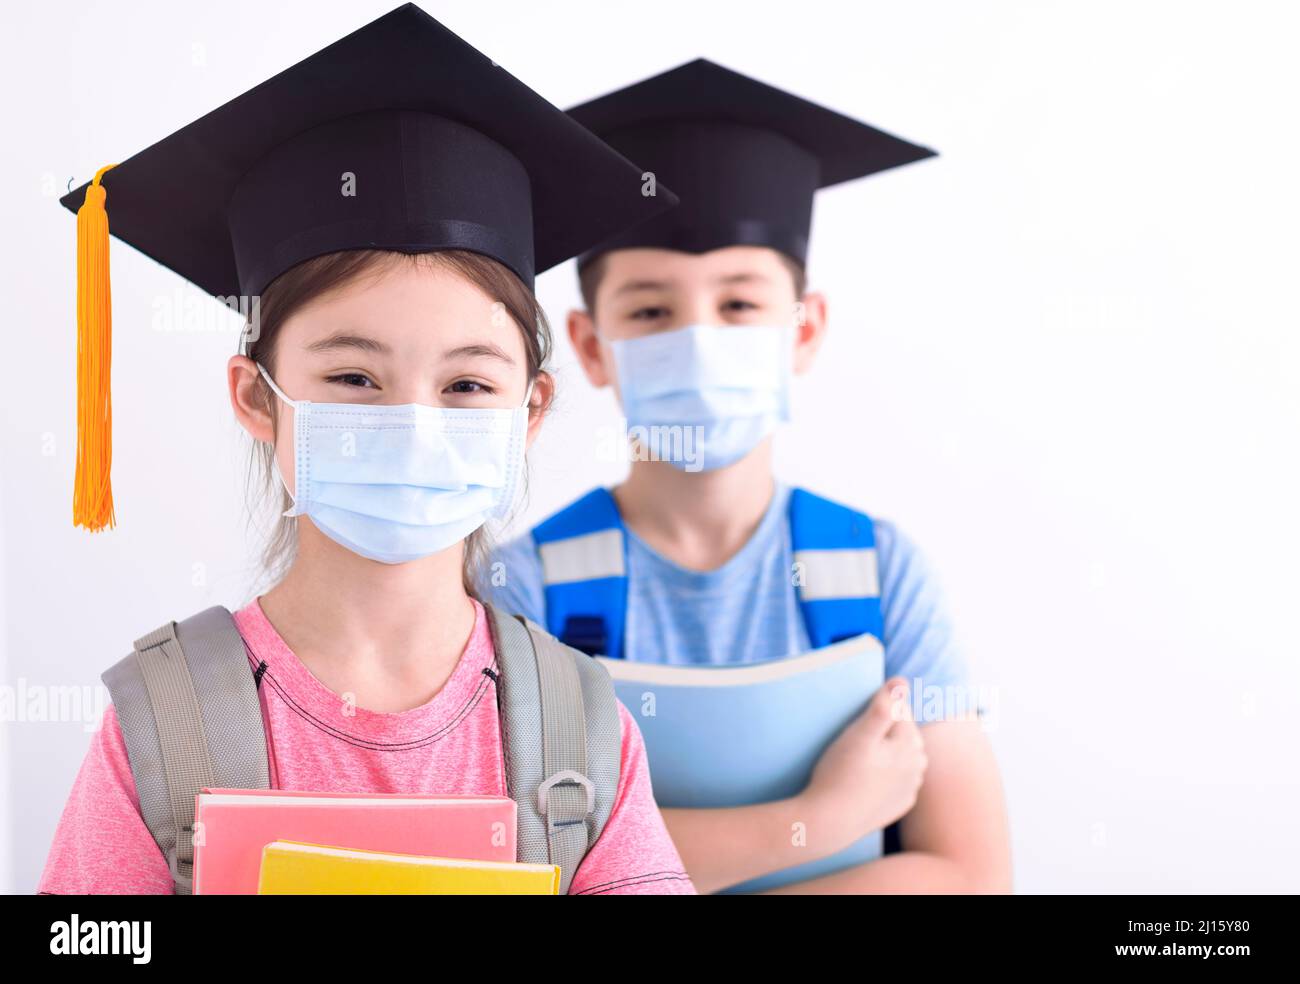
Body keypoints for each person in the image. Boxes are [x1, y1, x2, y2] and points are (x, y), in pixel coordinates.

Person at [38, 5, 695, 896]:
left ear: (530, 409)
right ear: (255, 397)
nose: (414, 422)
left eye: (467, 386)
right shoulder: (163, 726)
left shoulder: (582, 729)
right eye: (353, 378)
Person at [483, 59, 1012, 893]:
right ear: (590, 345)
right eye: (651, 311)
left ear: (804, 330)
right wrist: (829, 817)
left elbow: (968, 873)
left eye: (739, 305)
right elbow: (520, 865)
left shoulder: (883, 574)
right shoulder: (521, 590)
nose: (698, 338)